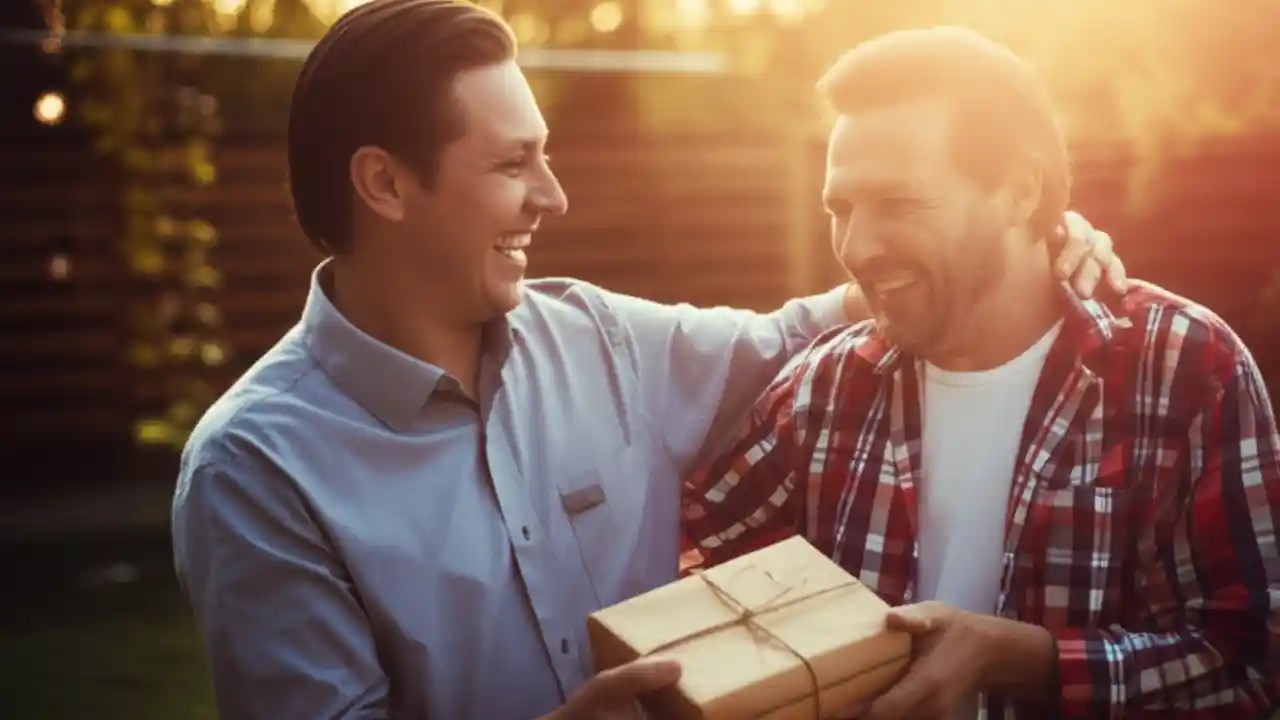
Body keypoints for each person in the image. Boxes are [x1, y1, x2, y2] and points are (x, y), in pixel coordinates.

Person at [169, 3, 1125, 718]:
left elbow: (810, 327)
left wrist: (1025, 237)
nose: (553, 195)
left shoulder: (604, 341)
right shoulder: (256, 472)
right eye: (512, 164)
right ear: (384, 182)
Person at [682, 26, 1280, 720]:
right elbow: (688, 571)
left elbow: (1250, 665)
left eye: (899, 204)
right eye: (840, 210)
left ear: (1020, 191)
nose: (857, 247)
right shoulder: (824, 389)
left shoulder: (1184, 368)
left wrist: (1015, 657)